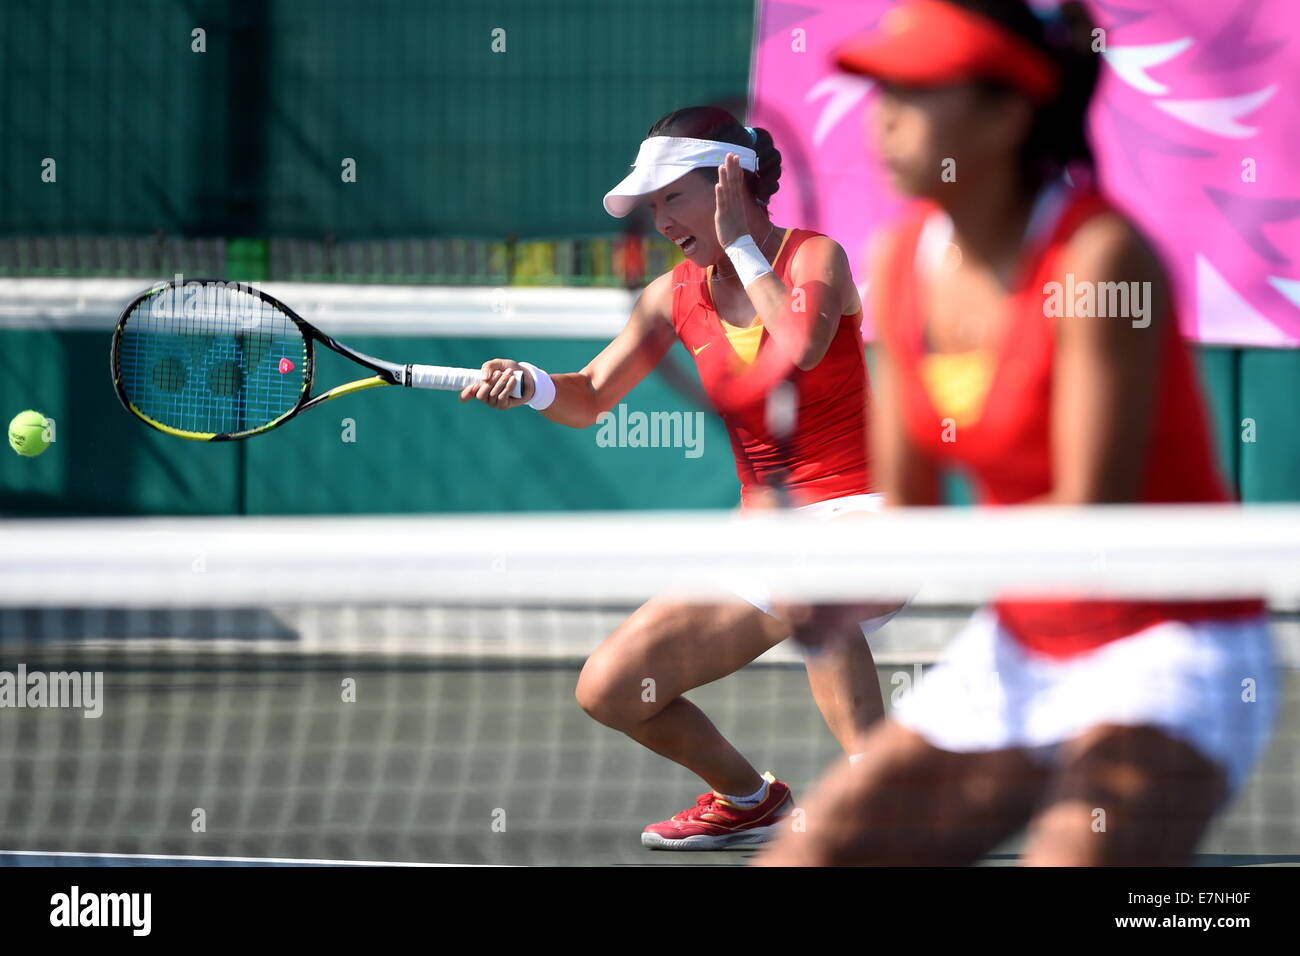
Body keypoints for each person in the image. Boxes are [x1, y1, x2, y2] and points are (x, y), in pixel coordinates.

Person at [758, 0, 1277, 866]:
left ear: (1006, 115)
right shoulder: (903, 261)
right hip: (1021, 648)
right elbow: (907, 509)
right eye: (882, 85)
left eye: (919, 89)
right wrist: (837, 591)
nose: (882, 112)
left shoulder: (1099, 259)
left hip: (1169, 649)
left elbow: (1086, 515)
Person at [461, 106, 902, 849]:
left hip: (872, 517)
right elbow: (591, 394)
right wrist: (531, 381)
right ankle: (750, 800)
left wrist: (743, 250)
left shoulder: (814, 258)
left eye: (673, 196)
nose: (660, 219)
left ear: (731, 181)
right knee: (611, 688)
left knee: (805, 586)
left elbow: (797, 348)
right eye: (651, 204)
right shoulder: (674, 295)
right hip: (771, 540)